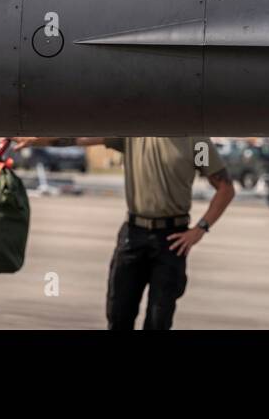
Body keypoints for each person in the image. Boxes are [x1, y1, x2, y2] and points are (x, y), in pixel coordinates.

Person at [14, 136, 235, 329]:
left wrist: (199, 229)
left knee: (159, 320)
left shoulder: (195, 143)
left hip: (171, 239)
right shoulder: (133, 134)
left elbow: (224, 188)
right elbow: (80, 139)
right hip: (133, 235)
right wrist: (39, 139)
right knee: (119, 314)